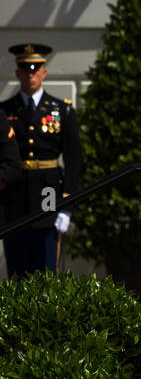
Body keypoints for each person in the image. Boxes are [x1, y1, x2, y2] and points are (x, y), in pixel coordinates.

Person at [2, 44, 82, 276]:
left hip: (48, 197)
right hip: (13, 200)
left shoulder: (61, 110)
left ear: (44, 72)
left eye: (35, 69)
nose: (30, 74)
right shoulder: (4, 111)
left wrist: (67, 207)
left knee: (47, 271)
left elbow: (73, 159)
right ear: (17, 73)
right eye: (25, 69)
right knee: (17, 272)